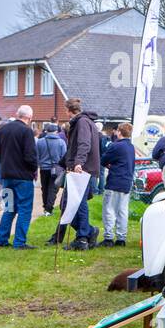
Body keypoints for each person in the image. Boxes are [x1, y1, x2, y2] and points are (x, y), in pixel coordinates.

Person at [0, 105, 38, 250]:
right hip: (23, 177)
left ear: (17, 114)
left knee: (9, 208)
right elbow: (30, 156)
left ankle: (1, 239)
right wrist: (33, 170)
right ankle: (19, 242)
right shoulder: (27, 131)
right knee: (24, 209)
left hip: (7, 176)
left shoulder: (3, 129)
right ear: (29, 118)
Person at [58, 98, 101, 251]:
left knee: (78, 203)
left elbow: (84, 144)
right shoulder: (84, 121)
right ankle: (89, 231)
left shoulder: (82, 122)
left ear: (68, 110)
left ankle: (82, 237)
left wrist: (78, 163)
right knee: (66, 204)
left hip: (82, 169)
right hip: (81, 167)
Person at [99, 121, 135, 247]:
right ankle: (121, 238)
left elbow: (103, 160)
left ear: (119, 132)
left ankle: (108, 238)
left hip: (115, 181)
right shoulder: (131, 147)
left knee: (109, 210)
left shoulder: (115, 146)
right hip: (126, 182)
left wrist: (110, 164)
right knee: (122, 211)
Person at [35, 121, 66, 215]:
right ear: (56, 131)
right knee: (53, 189)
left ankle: (46, 207)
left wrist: (40, 164)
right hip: (57, 169)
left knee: (44, 188)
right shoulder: (61, 142)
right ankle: (49, 209)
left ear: (47, 131)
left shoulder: (40, 142)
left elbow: (37, 156)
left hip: (43, 168)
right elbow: (64, 156)